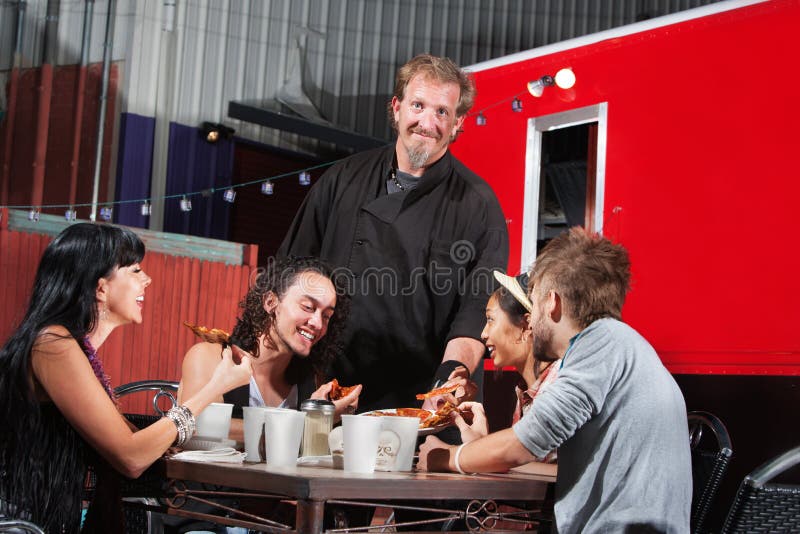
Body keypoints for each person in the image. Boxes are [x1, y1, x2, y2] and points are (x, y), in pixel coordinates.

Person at [418, 227, 692, 533]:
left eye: (533, 305)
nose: (531, 321)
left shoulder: (602, 344)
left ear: (552, 303)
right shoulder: (617, 344)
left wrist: (448, 457)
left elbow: (526, 443)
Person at [278, 53, 509, 412]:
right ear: (397, 107)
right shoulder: (342, 178)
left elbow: (478, 309)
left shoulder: (478, 205)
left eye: (442, 112)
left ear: (458, 122)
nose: (427, 122)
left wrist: (451, 377)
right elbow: (290, 272)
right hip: (325, 387)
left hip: (417, 401)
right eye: (418, 105)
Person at [0, 223, 253, 533]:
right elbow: (131, 457)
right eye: (135, 270)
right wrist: (215, 386)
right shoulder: (52, 344)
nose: (147, 279)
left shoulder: (70, 347)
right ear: (100, 287)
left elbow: (135, 443)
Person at [178, 256, 361, 440]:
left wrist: (324, 418)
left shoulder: (311, 380)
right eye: (307, 307)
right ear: (270, 302)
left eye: (327, 316)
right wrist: (310, 424)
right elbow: (195, 427)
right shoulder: (210, 357)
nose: (317, 323)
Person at [454, 271, 558, 463]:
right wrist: (480, 443)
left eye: (490, 319)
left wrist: (474, 454)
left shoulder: (555, 387)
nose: (483, 334)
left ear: (526, 325)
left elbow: (556, 476)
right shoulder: (526, 389)